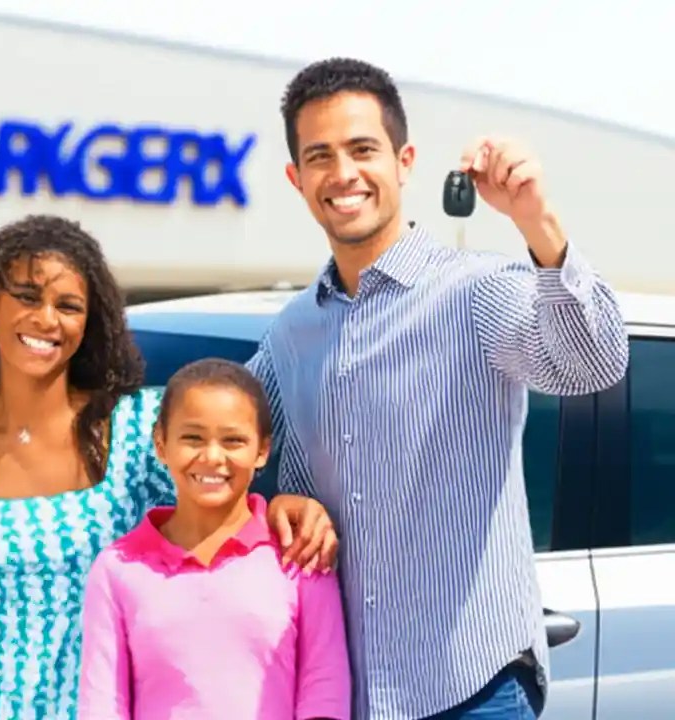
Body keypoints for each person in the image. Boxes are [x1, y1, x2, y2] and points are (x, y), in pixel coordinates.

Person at [246, 57, 630, 720]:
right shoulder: (291, 334)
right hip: (333, 695)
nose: (342, 173)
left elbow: (590, 366)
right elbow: (207, 463)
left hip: (470, 691)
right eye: (320, 156)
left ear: (404, 161)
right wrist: (274, 505)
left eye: (363, 149)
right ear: (296, 178)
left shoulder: (475, 292)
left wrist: (538, 225)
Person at [0, 216, 341, 719]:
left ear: (89, 322)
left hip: (130, 700)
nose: (46, 319)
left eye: (68, 305)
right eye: (25, 296)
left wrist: (286, 500)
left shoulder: (136, 425)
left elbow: (223, 482)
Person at [77, 358, 351, 720]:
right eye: (192, 438)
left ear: (262, 451)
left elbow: (325, 693)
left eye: (233, 440)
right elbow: (102, 705)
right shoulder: (117, 569)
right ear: (161, 444)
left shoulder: (299, 554)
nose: (212, 457)